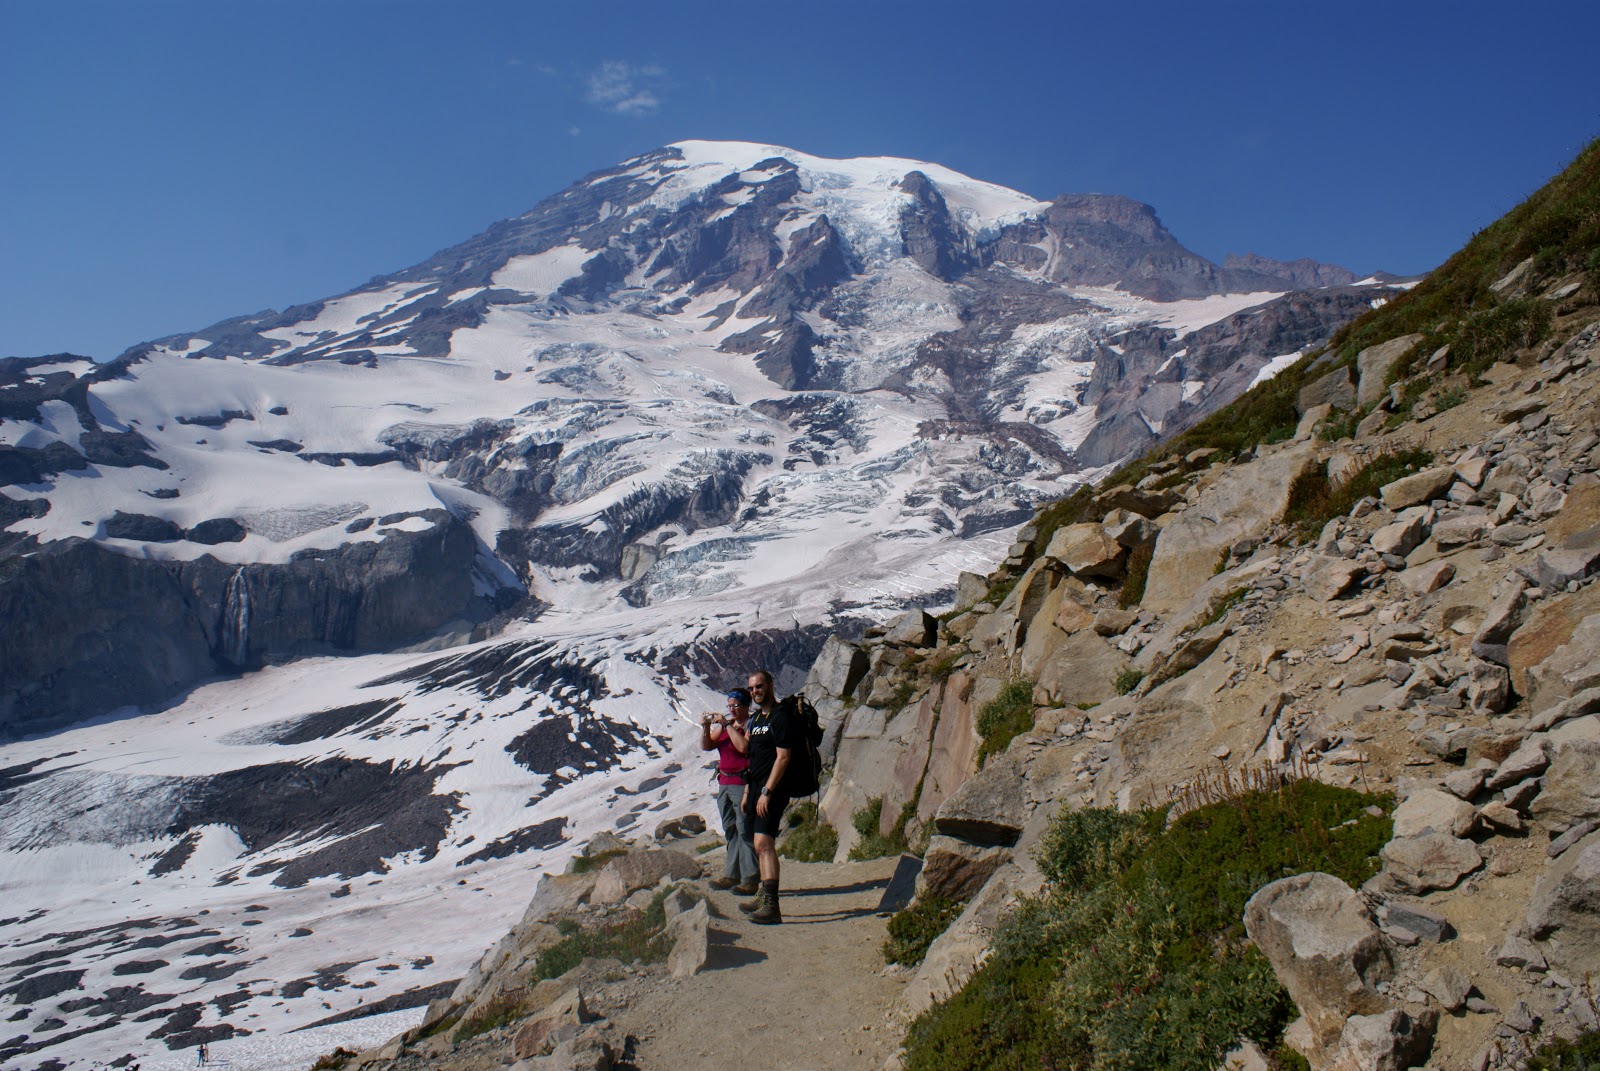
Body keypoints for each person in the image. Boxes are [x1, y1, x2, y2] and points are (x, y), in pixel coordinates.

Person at [740, 668, 795, 924]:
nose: (755, 692)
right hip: (756, 789)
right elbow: (754, 758)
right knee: (758, 843)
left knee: (764, 844)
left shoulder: (780, 716)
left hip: (771, 791)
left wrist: (766, 792)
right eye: (751, 689)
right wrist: (749, 792)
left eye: (759, 687)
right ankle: (763, 896)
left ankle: (772, 907)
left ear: (770, 685)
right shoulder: (758, 719)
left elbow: (783, 757)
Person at [699, 687, 759, 894]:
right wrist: (706, 727)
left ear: (745, 705)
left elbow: (744, 747)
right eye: (729, 706)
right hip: (724, 782)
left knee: (744, 829)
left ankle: (750, 877)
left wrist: (726, 725)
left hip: (742, 784)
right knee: (731, 829)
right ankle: (732, 874)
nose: (732, 709)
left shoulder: (751, 724)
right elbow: (707, 746)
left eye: (736, 705)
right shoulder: (729, 725)